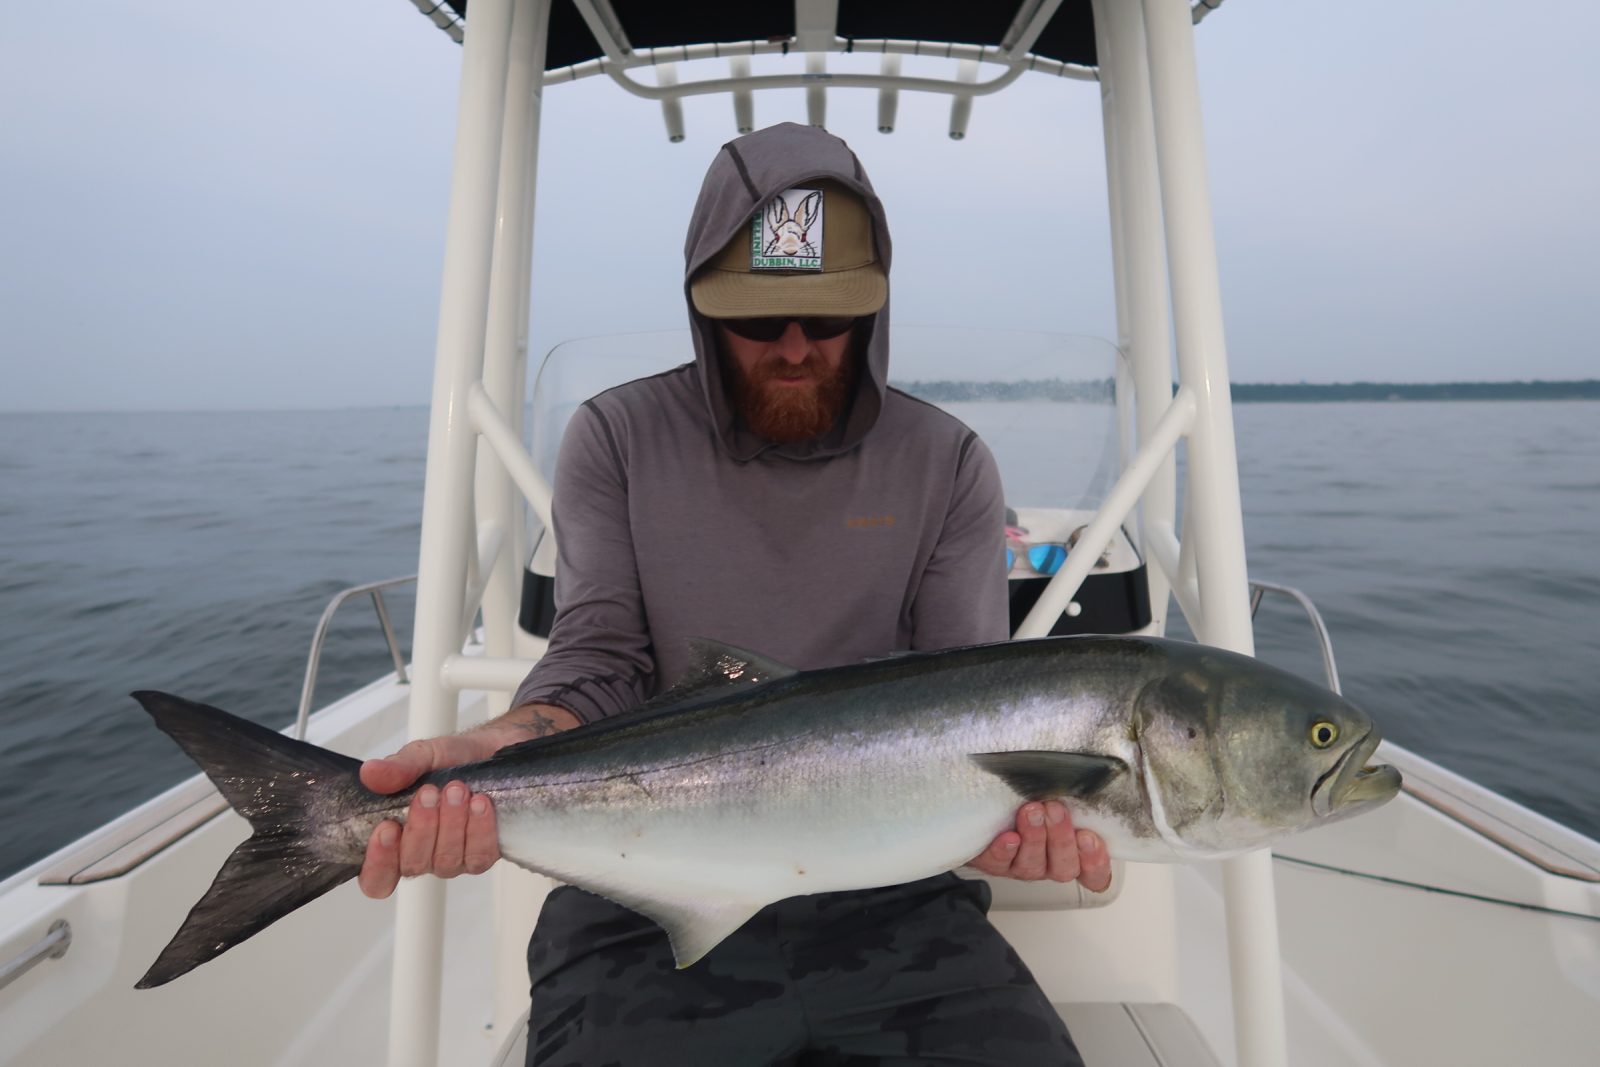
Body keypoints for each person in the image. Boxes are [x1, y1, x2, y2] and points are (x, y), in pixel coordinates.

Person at [358, 123, 1111, 1066]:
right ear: (703, 311)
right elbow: (598, 661)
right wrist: (495, 752)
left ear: (872, 311)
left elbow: (969, 702)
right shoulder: (618, 438)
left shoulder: (947, 463)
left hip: (893, 892)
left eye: (827, 319)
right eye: (759, 321)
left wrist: (1018, 823)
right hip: (642, 881)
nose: (795, 349)